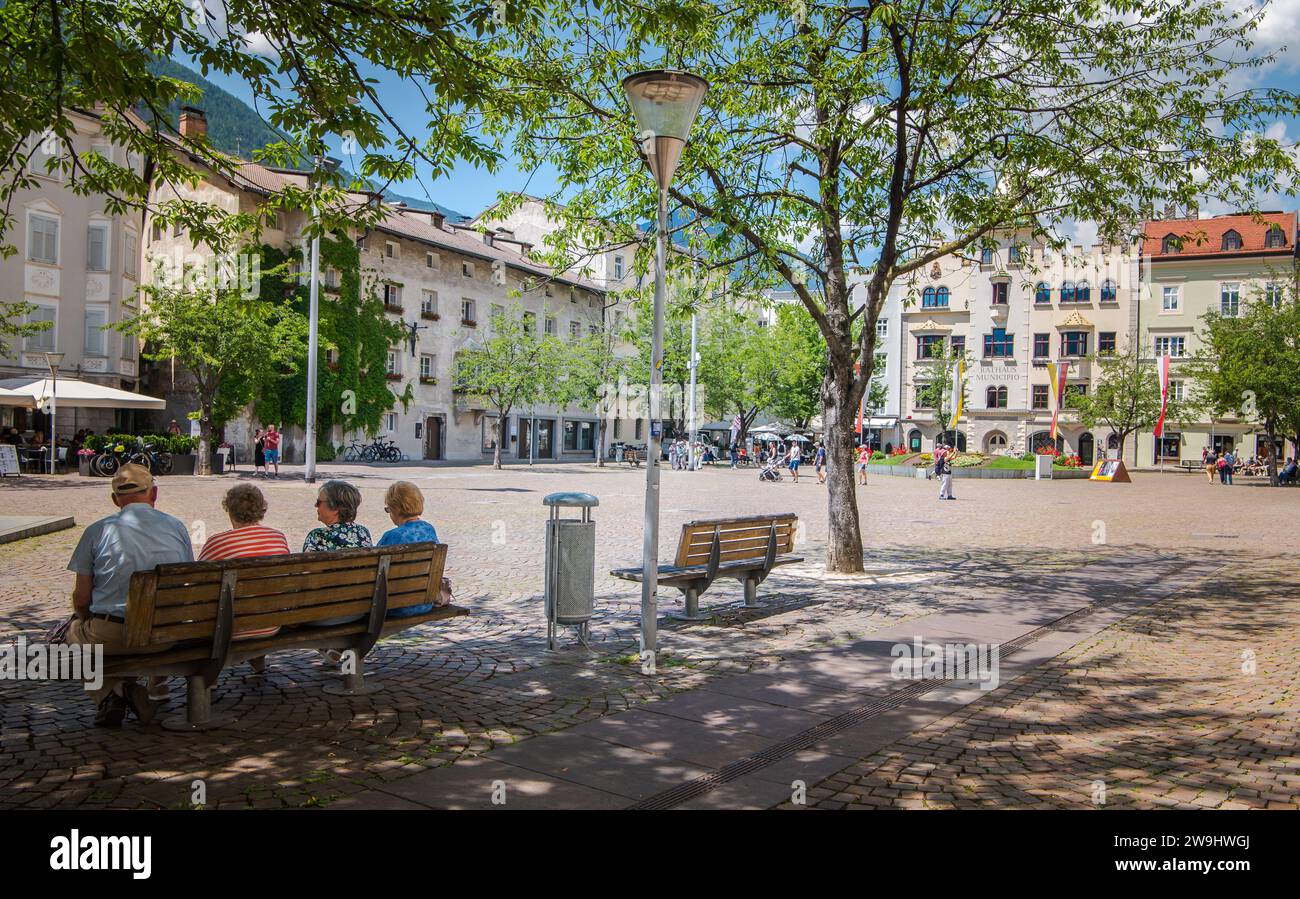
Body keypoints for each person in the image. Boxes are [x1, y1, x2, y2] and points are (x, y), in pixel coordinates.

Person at [62, 464, 193, 727]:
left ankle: (114, 692)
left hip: (114, 632)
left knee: (70, 633)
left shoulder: (97, 531)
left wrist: (86, 619)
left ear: (114, 499)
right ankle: (123, 690)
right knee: (101, 635)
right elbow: (187, 581)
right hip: (165, 633)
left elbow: (81, 599)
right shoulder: (176, 527)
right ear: (153, 493)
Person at [195, 484, 291, 675]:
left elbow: (199, 584)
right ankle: (257, 659)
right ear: (262, 509)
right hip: (271, 623)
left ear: (229, 510)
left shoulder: (217, 543)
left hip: (229, 627)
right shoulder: (277, 537)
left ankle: (207, 678)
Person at [304, 480, 372, 638]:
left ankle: (328, 647)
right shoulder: (363, 533)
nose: (316, 506)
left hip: (322, 615)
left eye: (319, 502)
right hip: (357, 610)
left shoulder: (317, 537)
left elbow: (307, 578)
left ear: (335, 508)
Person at [377, 481, 450, 618]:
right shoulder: (429, 529)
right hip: (424, 603)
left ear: (396, 508)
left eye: (388, 509)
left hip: (394, 606)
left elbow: (374, 571)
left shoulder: (392, 536)